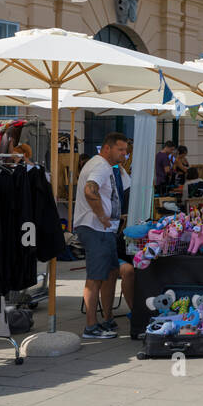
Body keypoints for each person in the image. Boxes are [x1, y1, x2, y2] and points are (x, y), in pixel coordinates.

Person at [72, 132, 130, 339]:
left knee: (111, 272)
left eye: (125, 150)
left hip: (104, 229)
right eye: (121, 149)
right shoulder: (100, 166)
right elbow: (90, 191)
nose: (125, 153)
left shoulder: (106, 166)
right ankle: (90, 327)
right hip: (95, 228)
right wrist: (102, 215)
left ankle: (107, 318)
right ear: (107, 148)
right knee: (95, 278)